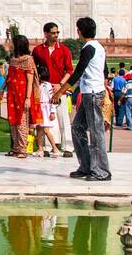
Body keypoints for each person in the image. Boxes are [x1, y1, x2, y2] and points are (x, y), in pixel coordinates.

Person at [53, 17, 110, 182]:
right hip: (89, 93)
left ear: (80, 31)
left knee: (96, 132)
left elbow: (77, 73)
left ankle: (102, 171)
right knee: (77, 128)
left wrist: (60, 92)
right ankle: (86, 166)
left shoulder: (89, 48)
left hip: (93, 94)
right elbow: (104, 71)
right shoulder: (98, 47)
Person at [31, 23, 74, 156]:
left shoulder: (64, 49)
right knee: (47, 119)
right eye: (53, 33)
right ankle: (49, 147)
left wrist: (60, 85)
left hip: (59, 88)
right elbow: (35, 69)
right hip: (45, 90)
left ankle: (67, 147)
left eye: (57, 33)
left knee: (63, 118)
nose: (56, 35)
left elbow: (69, 70)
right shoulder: (38, 50)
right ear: (46, 33)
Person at [2, 35, 42, 158]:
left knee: (21, 121)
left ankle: (23, 149)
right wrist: (2, 89)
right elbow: (9, 77)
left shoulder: (28, 60)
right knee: (13, 121)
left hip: (23, 95)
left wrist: (28, 98)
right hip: (12, 94)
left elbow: (30, 80)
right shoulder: (13, 59)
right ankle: (16, 148)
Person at [34, 59, 60, 157]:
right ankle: (40, 148)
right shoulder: (37, 85)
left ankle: (55, 148)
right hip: (39, 109)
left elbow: (52, 99)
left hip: (46, 109)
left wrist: (52, 111)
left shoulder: (48, 86)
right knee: (39, 129)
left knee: (45, 130)